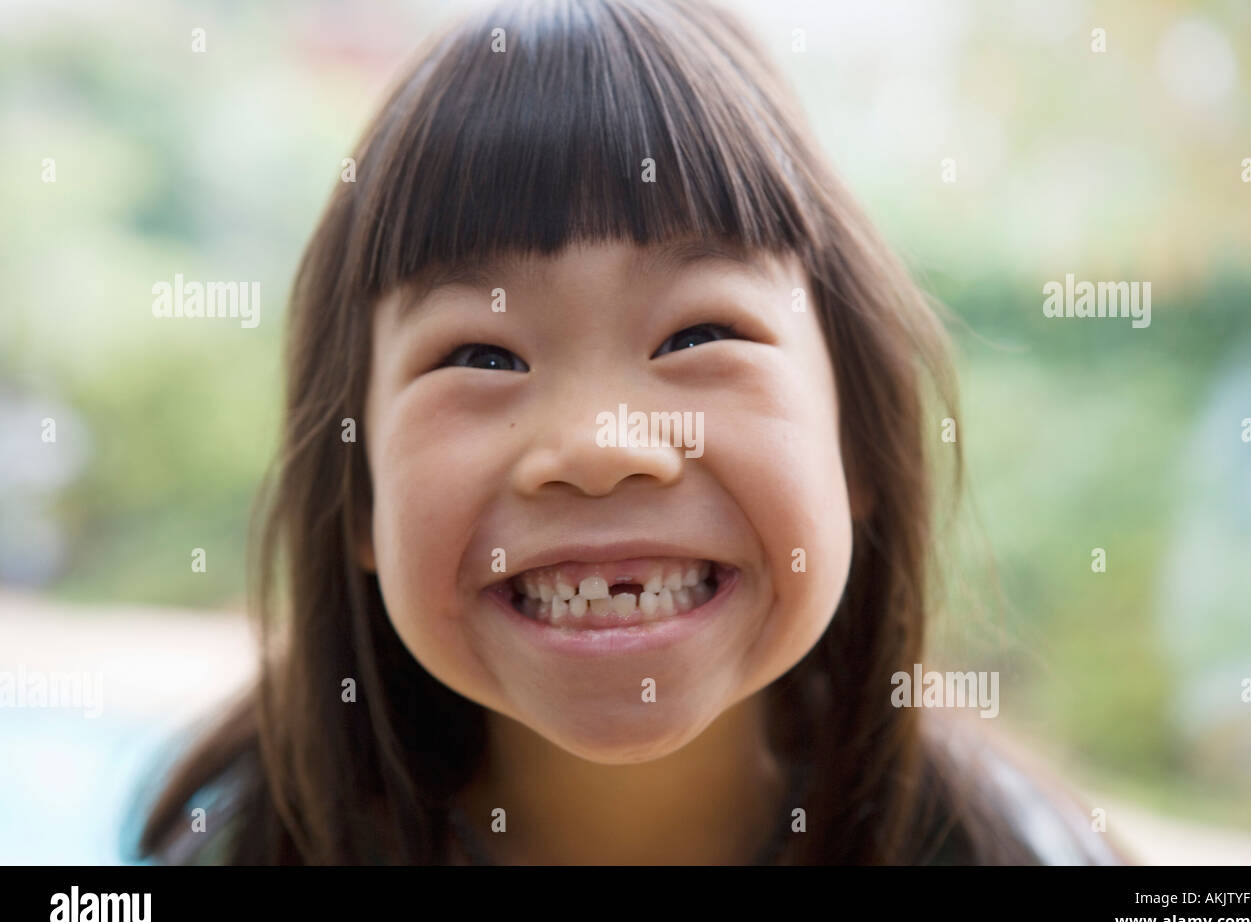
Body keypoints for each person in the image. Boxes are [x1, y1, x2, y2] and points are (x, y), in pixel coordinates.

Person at [133, 0, 1127, 865]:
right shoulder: (254, 842)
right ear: (360, 495)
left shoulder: (1011, 851)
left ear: (855, 443)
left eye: (700, 333)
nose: (600, 444)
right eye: (481, 356)